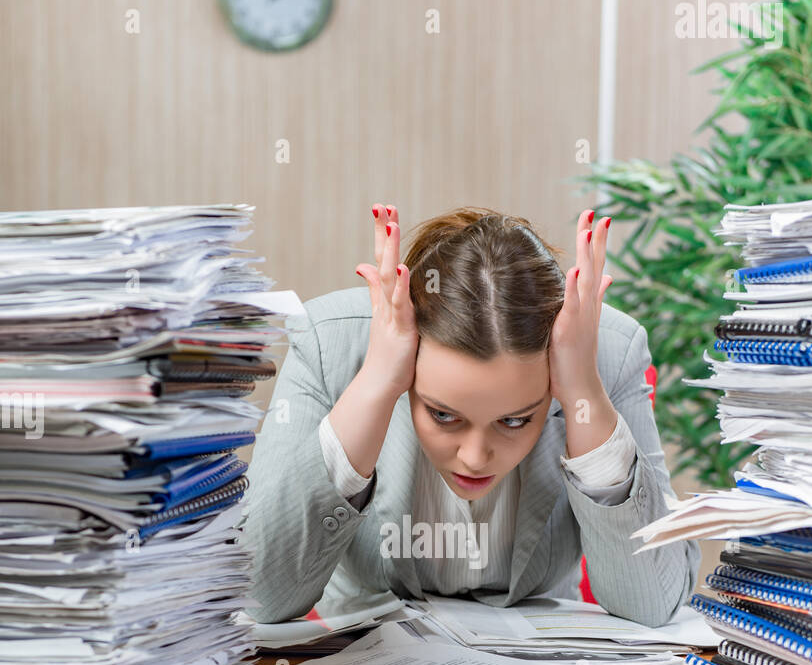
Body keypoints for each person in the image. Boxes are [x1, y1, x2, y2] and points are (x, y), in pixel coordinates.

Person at [243, 204, 700, 626]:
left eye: (515, 420)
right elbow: (259, 596)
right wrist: (377, 382)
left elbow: (652, 604)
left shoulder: (604, 355)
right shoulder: (331, 344)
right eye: (443, 415)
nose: (476, 457)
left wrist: (582, 389)